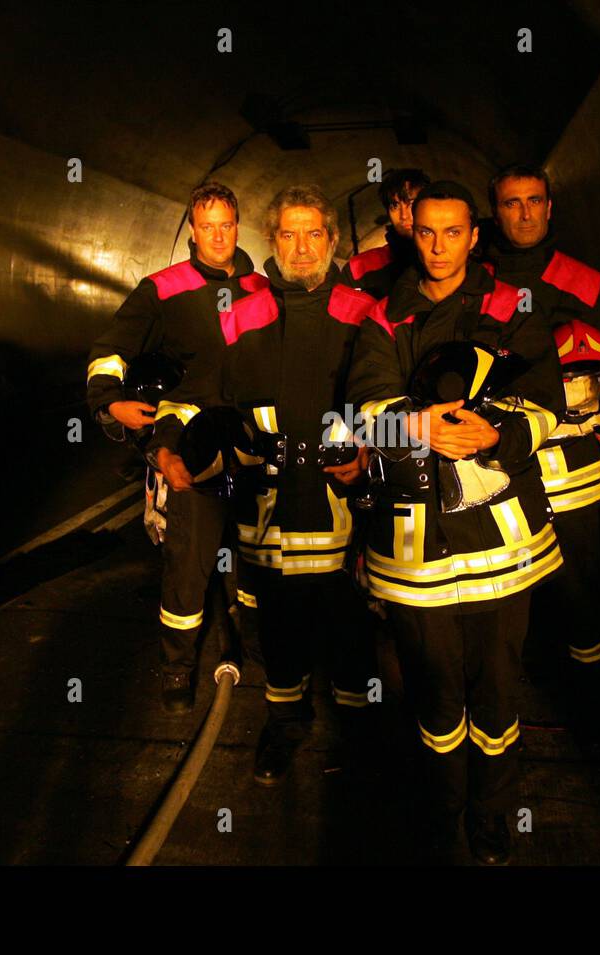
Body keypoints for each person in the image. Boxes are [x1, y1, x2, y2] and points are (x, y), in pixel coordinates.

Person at [347, 181, 564, 864]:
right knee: (437, 692)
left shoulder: (511, 308)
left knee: (497, 687)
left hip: (502, 540)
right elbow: (361, 412)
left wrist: (492, 431)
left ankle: (492, 815)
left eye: (453, 233)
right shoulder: (385, 319)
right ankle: (445, 815)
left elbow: (547, 400)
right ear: (413, 235)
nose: (439, 247)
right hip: (416, 548)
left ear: (476, 236)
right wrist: (422, 428)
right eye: (428, 233)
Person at [85, 182, 267, 714]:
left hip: (254, 446)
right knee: (189, 564)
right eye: (206, 226)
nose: (217, 236)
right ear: (192, 229)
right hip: (192, 446)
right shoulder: (162, 288)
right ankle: (177, 668)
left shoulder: (261, 288)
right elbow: (110, 349)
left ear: (238, 225)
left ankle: (254, 647)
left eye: (226, 225)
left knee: (257, 558)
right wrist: (108, 402)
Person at [220, 184, 379, 785]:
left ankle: (360, 729)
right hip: (269, 498)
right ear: (272, 240)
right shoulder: (242, 311)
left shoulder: (363, 310)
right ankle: (285, 722)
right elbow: (217, 394)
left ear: (333, 241)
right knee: (279, 622)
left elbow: (389, 396)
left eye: (314, 233)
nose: (302, 245)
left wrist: (369, 453)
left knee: (349, 621)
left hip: (340, 497)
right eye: (289, 233)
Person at [481, 162, 600, 687]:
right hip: (496, 463)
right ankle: (516, 691)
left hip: (572, 466)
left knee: (579, 582)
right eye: (511, 202)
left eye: (534, 201)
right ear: (494, 211)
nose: (524, 213)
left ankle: (593, 691)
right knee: (508, 581)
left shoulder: (585, 280)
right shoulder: (477, 279)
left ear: (550, 206)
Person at [341, 168, 430, 301]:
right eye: (395, 206)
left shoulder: (450, 262)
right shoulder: (359, 268)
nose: (403, 215)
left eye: (412, 204)